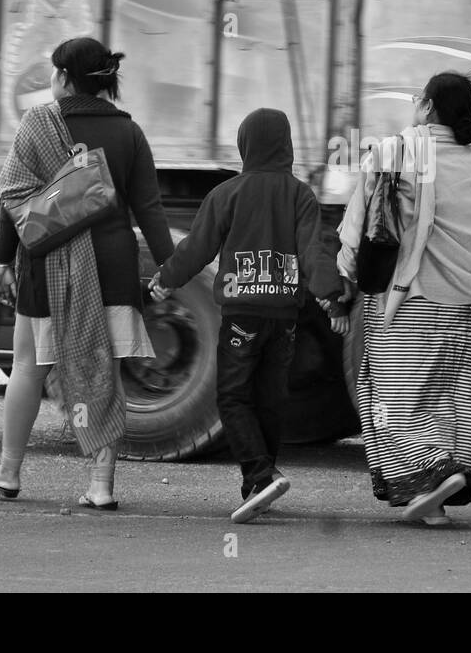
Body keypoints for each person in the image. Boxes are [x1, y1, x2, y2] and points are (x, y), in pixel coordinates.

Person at [0, 36, 175, 510]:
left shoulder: (37, 122)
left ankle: (8, 471)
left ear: (65, 77)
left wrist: (1, 261)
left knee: (28, 367)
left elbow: (14, 199)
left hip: (47, 264)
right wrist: (170, 269)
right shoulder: (130, 133)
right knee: (105, 372)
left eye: (54, 71)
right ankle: (101, 485)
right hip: (113, 267)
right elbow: (149, 209)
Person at [149, 108, 348, 523]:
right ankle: (259, 484)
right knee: (270, 398)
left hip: (242, 315)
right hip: (285, 318)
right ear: (286, 145)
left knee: (234, 395)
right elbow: (314, 252)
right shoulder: (301, 195)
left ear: (245, 145)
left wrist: (166, 279)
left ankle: (260, 475)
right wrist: (331, 298)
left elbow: (197, 248)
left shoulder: (227, 194)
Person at [335, 72, 471, 526]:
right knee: (451, 397)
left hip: (410, 301)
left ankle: (435, 474)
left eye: (419, 98)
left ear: (429, 106)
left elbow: (359, 223)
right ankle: (436, 498)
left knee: (394, 397)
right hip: (466, 304)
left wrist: (344, 276)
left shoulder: (394, 151)